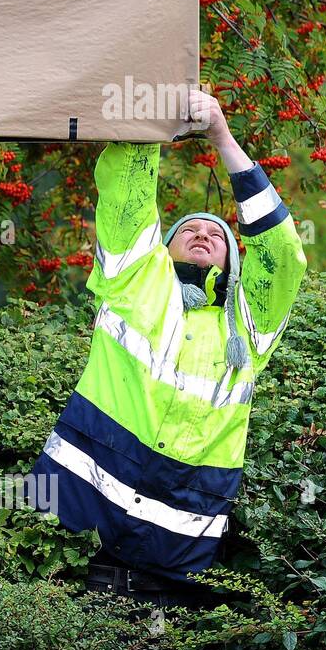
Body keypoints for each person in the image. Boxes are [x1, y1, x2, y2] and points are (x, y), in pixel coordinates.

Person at [29, 87, 308, 606]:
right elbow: (127, 195)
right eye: (190, 230)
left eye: (217, 234)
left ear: (233, 262)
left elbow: (283, 252)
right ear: (163, 244)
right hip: (80, 514)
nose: (203, 235)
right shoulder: (135, 278)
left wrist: (222, 136)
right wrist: (155, 119)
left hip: (181, 538)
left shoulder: (251, 323)